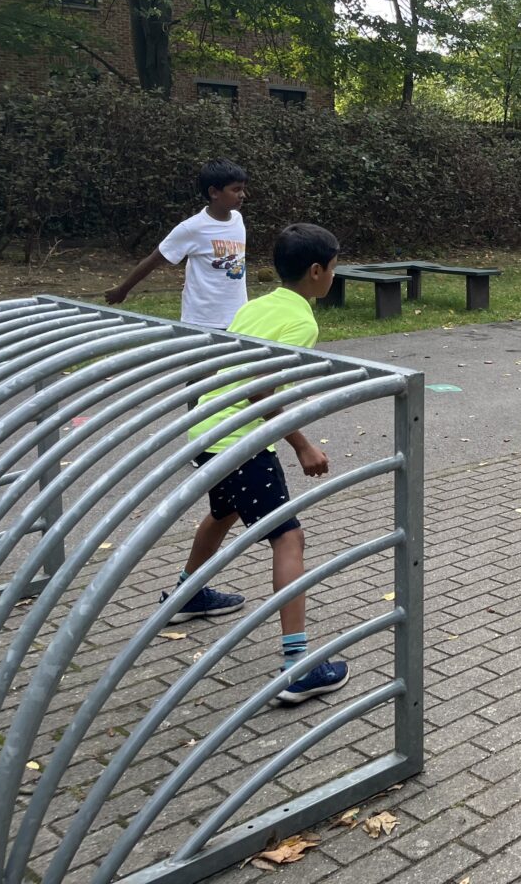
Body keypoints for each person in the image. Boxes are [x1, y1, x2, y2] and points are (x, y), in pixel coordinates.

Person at [164, 222, 350, 706]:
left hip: (209, 432)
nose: (334, 274)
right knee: (289, 537)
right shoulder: (301, 321)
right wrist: (302, 445)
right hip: (243, 440)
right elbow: (260, 389)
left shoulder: (257, 305)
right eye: (334, 267)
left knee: (223, 512)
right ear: (316, 271)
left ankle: (188, 596)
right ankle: (298, 667)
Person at [106, 160, 248, 329]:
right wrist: (123, 289)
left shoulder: (238, 220)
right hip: (203, 320)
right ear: (214, 192)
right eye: (236, 189)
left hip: (238, 317)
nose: (242, 195)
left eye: (243, 188)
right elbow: (154, 259)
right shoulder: (192, 228)